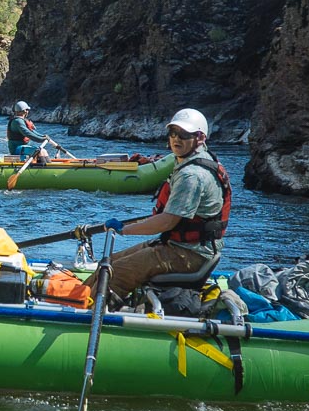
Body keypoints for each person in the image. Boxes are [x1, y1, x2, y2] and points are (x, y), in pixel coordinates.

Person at [80, 108, 232, 302]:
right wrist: (125, 226)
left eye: (184, 134)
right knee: (108, 262)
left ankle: (93, 314)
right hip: (180, 246)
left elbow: (166, 222)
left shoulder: (192, 175)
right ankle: (78, 299)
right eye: (173, 133)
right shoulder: (195, 162)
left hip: (189, 254)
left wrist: (124, 230)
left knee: (114, 273)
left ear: (200, 137)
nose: (176, 139)